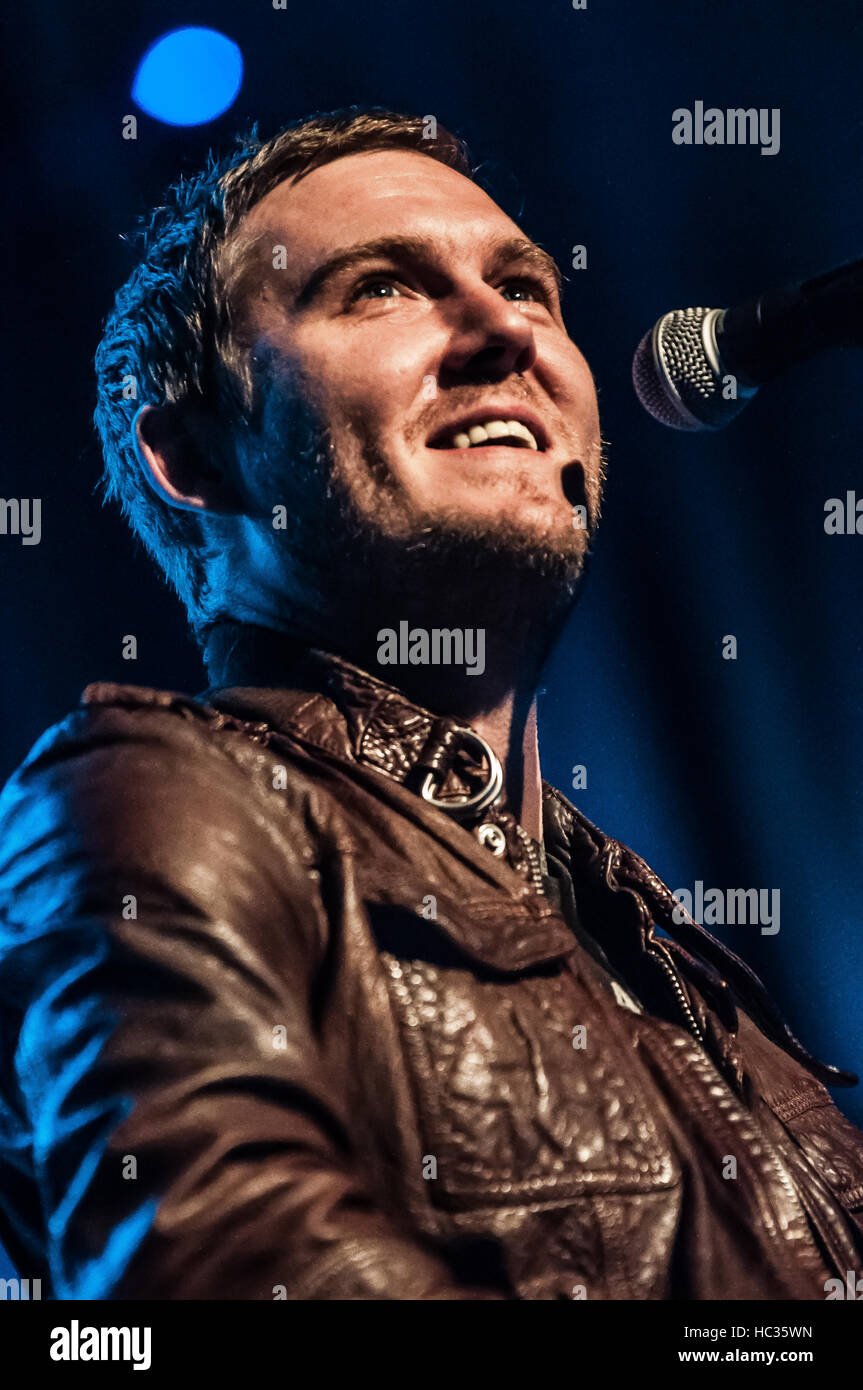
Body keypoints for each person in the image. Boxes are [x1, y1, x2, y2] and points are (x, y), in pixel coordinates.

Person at [0, 107, 861, 1300]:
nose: (503, 325)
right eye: (380, 291)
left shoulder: (688, 970)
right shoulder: (148, 791)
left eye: (524, 285)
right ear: (195, 458)